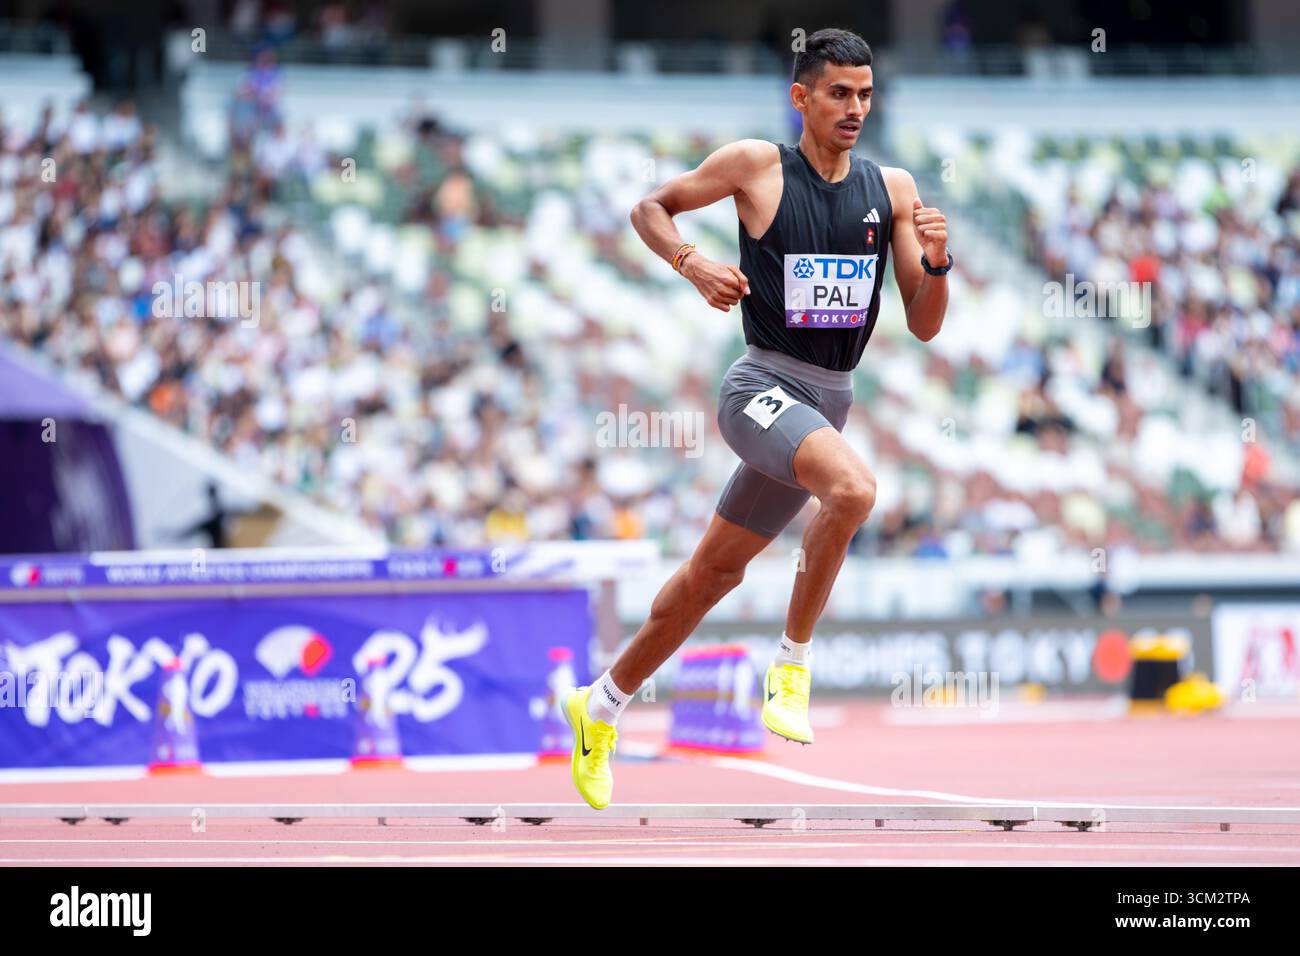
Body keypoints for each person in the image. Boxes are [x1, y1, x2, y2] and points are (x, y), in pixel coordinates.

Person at [562, 28, 951, 809]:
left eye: (866, 95)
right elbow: (650, 208)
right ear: (801, 97)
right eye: (838, 93)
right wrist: (691, 261)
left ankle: (598, 705)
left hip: (827, 399)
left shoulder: (895, 189)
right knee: (853, 491)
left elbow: (926, 323)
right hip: (760, 389)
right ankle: (793, 665)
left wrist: (938, 263)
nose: (855, 109)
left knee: (714, 572)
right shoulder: (756, 166)